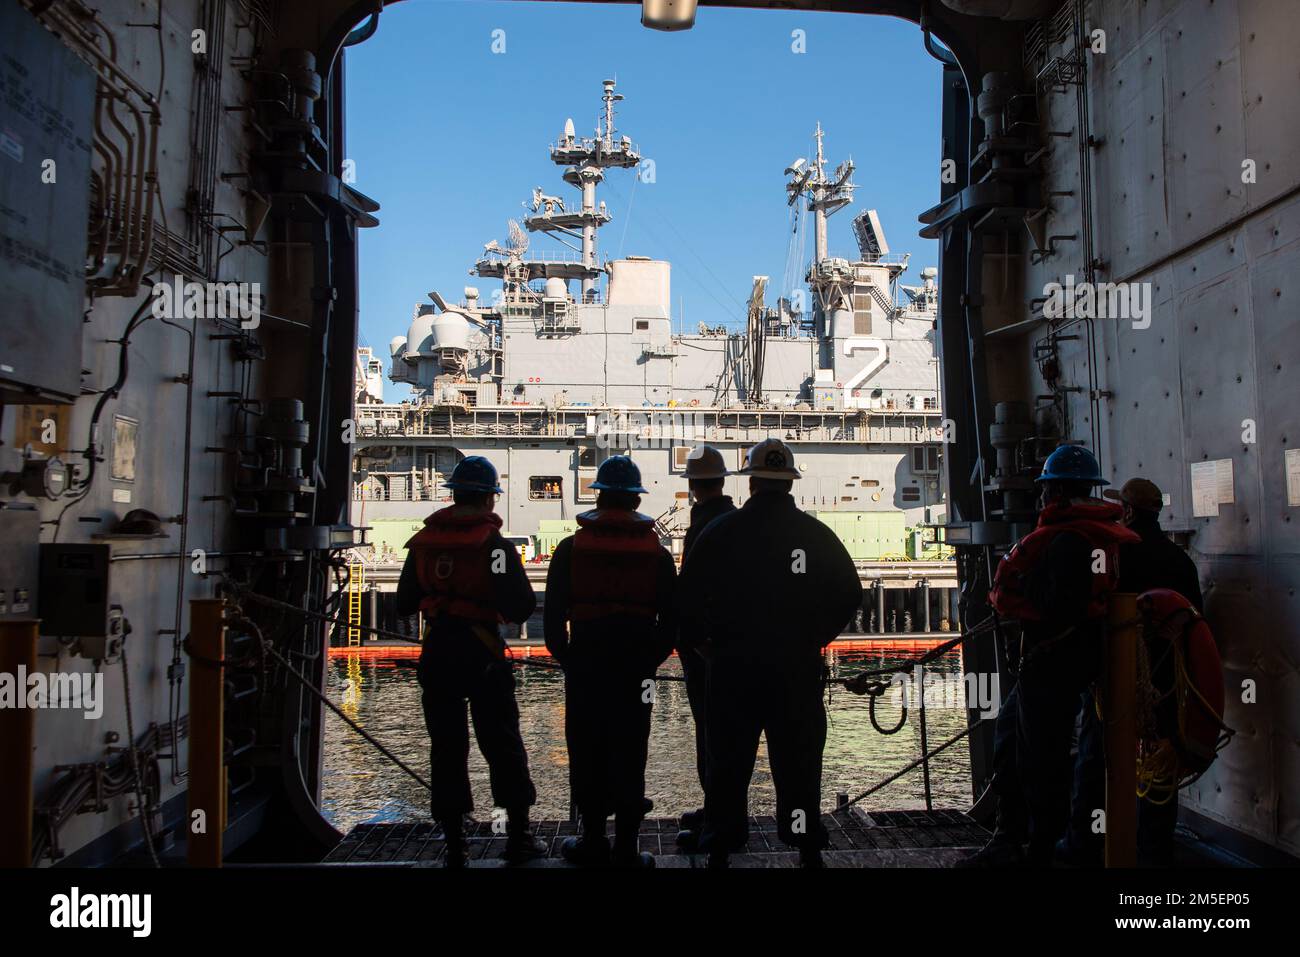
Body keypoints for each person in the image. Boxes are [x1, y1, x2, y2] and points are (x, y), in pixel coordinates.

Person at [677, 439, 863, 868]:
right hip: (794, 670)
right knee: (798, 765)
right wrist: (814, 636)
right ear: (790, 482)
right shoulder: (815, 534)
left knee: (728, 763)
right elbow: (849, 594)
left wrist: (706, 646)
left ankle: (720, 846)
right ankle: (806, 846)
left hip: (732, 670)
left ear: (751, 481)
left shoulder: (719, 532)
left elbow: (685, 599)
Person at [982, 445, 1140, 867]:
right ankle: (1034, 837)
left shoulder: (1065, 540)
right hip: (1093, 661)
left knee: (1039, 759)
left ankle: (1038, 847)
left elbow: (1057, 604)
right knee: (1029, 742)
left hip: (1051, 664)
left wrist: (1020, 597)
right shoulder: (1106, 536)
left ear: (1052, 492)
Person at [395, 455, 547, 867]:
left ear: (456, 494)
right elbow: (520, 606)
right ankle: (518, 837)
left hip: (438, 653)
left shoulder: (425, 542)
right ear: (489, 501)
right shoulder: (494, 547)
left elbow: (404, 601)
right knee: (502, 745)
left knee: (446, 748)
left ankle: (455, 841)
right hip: (482, 656)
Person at [543, 455, 677, 868]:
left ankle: (592, 839)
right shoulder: (658, 555)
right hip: (637, 668)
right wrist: (648, 660)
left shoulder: (569, 550)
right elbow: (671, 624)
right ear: (636, 502)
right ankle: (627, 845)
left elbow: (551, 623)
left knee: (586, 750)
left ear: (598, 497)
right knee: (632, 748)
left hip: (586, 664)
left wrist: (571, 659)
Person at [1063, 477, 1204, 865]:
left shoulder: (1116, 555)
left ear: (1126, 511)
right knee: (1160, 767)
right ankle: (1154, 853)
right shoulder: (1181, 562)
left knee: (1094, 763)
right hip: (1164, 685)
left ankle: (1084, 844)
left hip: (1114, 682)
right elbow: (1195, 623)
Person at [673, 446, 736, 852]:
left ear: (694, 486)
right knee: (731, 736)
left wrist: (693, 641)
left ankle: (719, 820)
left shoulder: (703, 526)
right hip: (737, 646)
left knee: (712, 735)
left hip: (708, 652)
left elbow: (689, 592)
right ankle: (724, 811)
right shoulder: (736, 521)